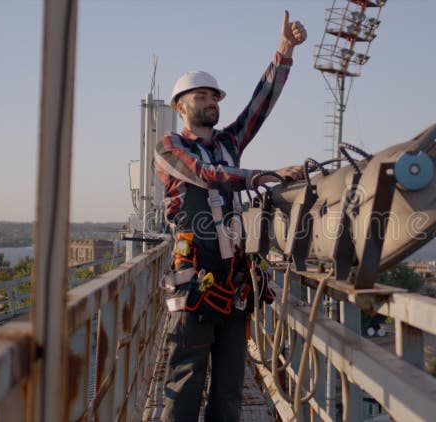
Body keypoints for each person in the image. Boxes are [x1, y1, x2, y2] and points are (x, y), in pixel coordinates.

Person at [154, 10, 307, 422]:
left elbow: (260, 106)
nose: (210, 102)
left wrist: (284, 52)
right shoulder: (168, 148)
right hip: (193, 285)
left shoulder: (228, 144)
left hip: (233, 286)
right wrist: (263, 175)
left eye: (214, 97)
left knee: (228, 395)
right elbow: (205, 176)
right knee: (184, 388)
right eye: (201, 96)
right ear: (180, 106)